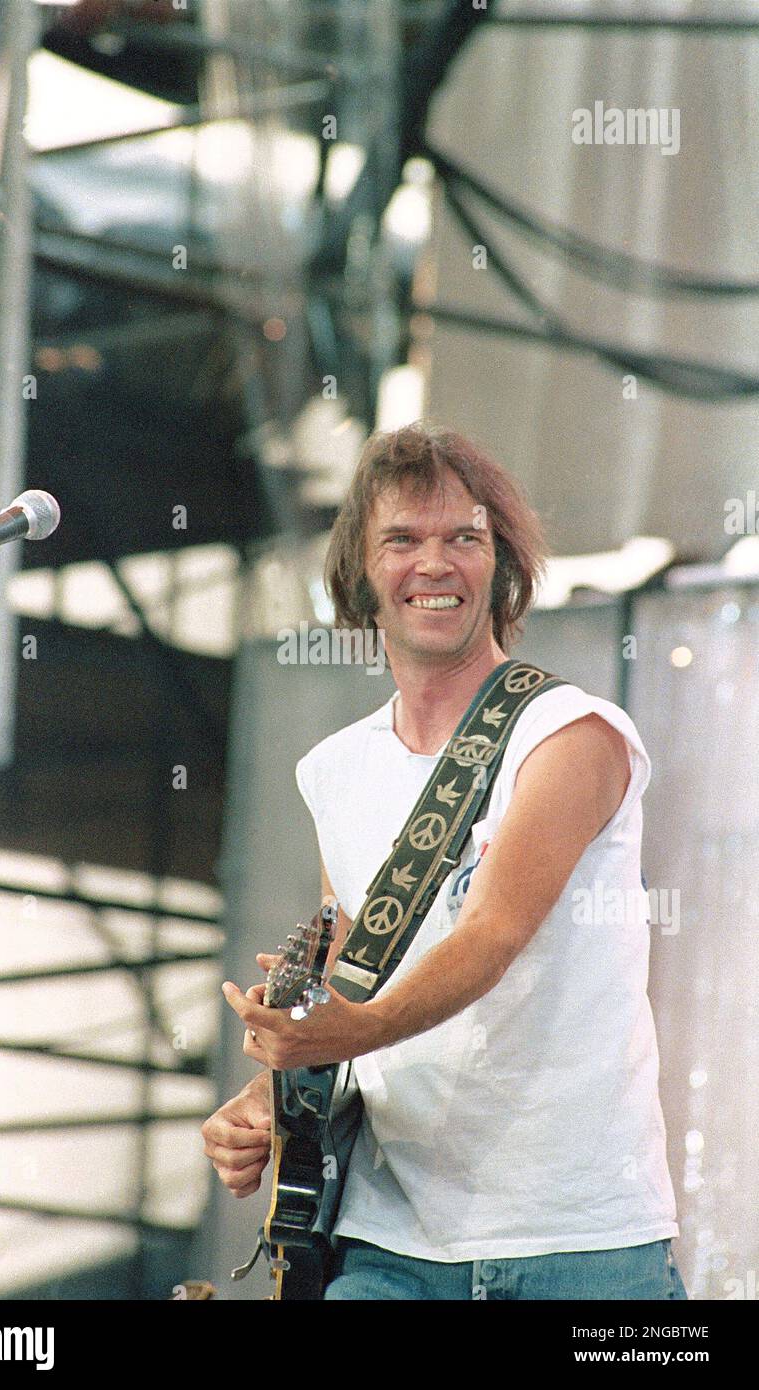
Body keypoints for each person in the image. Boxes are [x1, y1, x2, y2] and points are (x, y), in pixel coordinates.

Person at [202, 423, 687, 1301]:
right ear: (360, 574)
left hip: (579, 1243)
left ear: (499, 567)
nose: (437, 563)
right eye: (403, 540)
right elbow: (354, 975)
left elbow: (491, 935)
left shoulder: (570, 735)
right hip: (388, 1243)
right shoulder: (335, 770)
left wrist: (352, 1029)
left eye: (465, 537)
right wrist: (269, 1090)